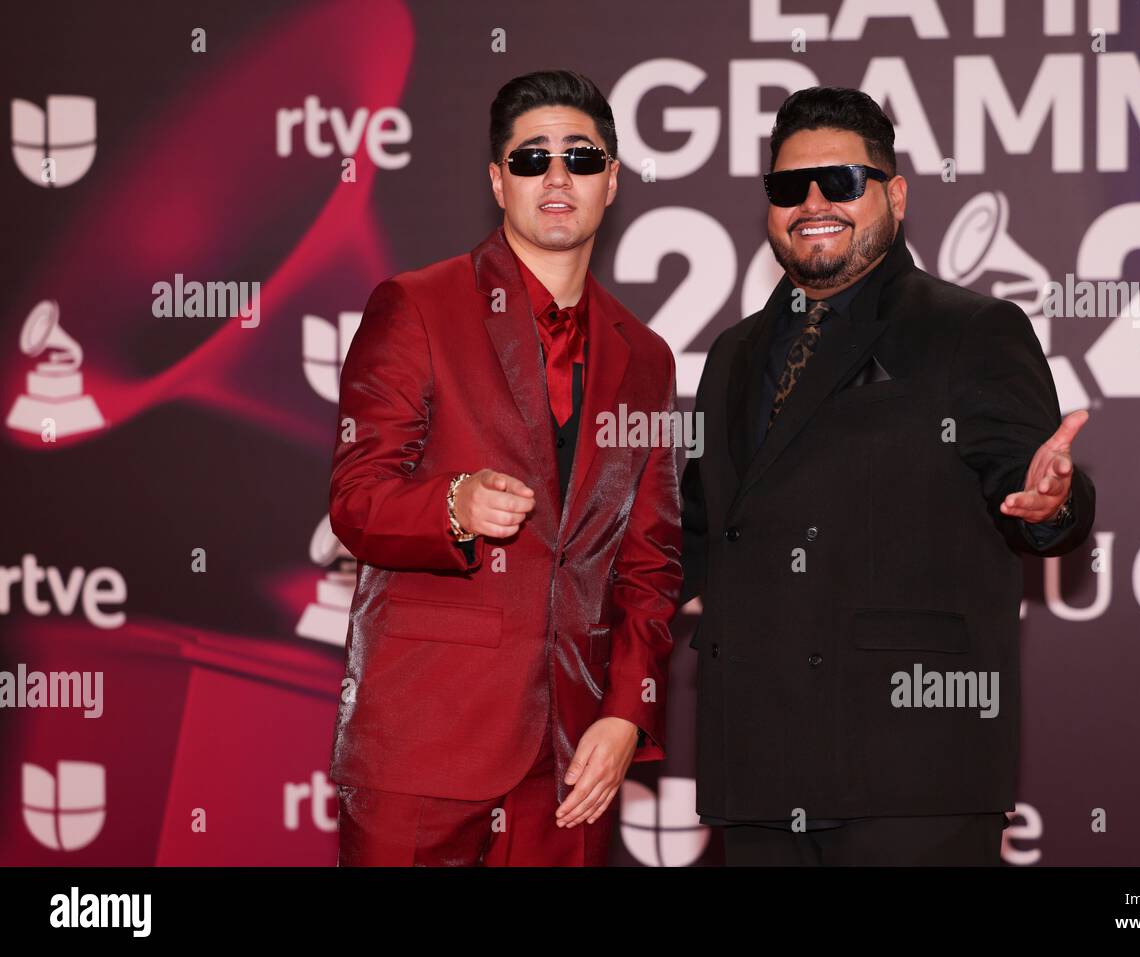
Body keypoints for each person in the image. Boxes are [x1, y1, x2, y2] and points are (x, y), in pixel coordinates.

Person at [680, 86, 1096, 866]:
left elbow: (1032, 484)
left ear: (894, 195)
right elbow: (698, 530)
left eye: (840, 181)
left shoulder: (970, 328)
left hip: (908, 770)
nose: (811, 202)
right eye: (786, 187)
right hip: (757, 769)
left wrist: (1050, 503)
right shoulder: (732, 352)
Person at [328, 70, 682, 866]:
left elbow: (651, 562)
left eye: (582, 157)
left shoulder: (647, 357)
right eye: (531, 159)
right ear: (497, 180)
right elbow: (356, 500)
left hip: (568, 762)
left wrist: (625, 713)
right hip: (423, 741)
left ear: (613, 179)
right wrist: (452, 503)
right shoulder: (418, 305)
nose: (558, 177)